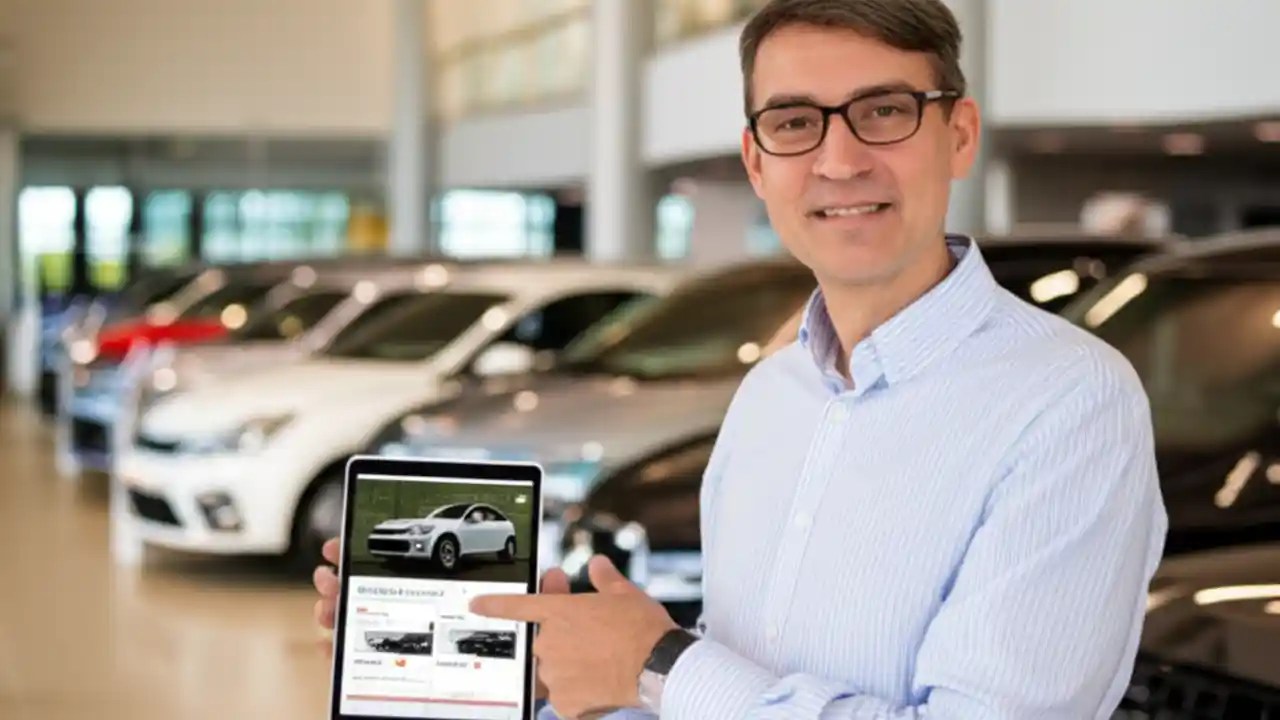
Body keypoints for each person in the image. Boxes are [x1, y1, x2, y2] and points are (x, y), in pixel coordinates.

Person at [314, 0, 1168, 717]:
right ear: (758, 163)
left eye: (884, 111)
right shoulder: (772, 394)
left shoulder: (1070, 401)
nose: (839, 159)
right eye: (795, 122)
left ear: (959, 133)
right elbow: (723, 688)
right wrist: (554, 671)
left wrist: (657, 663)